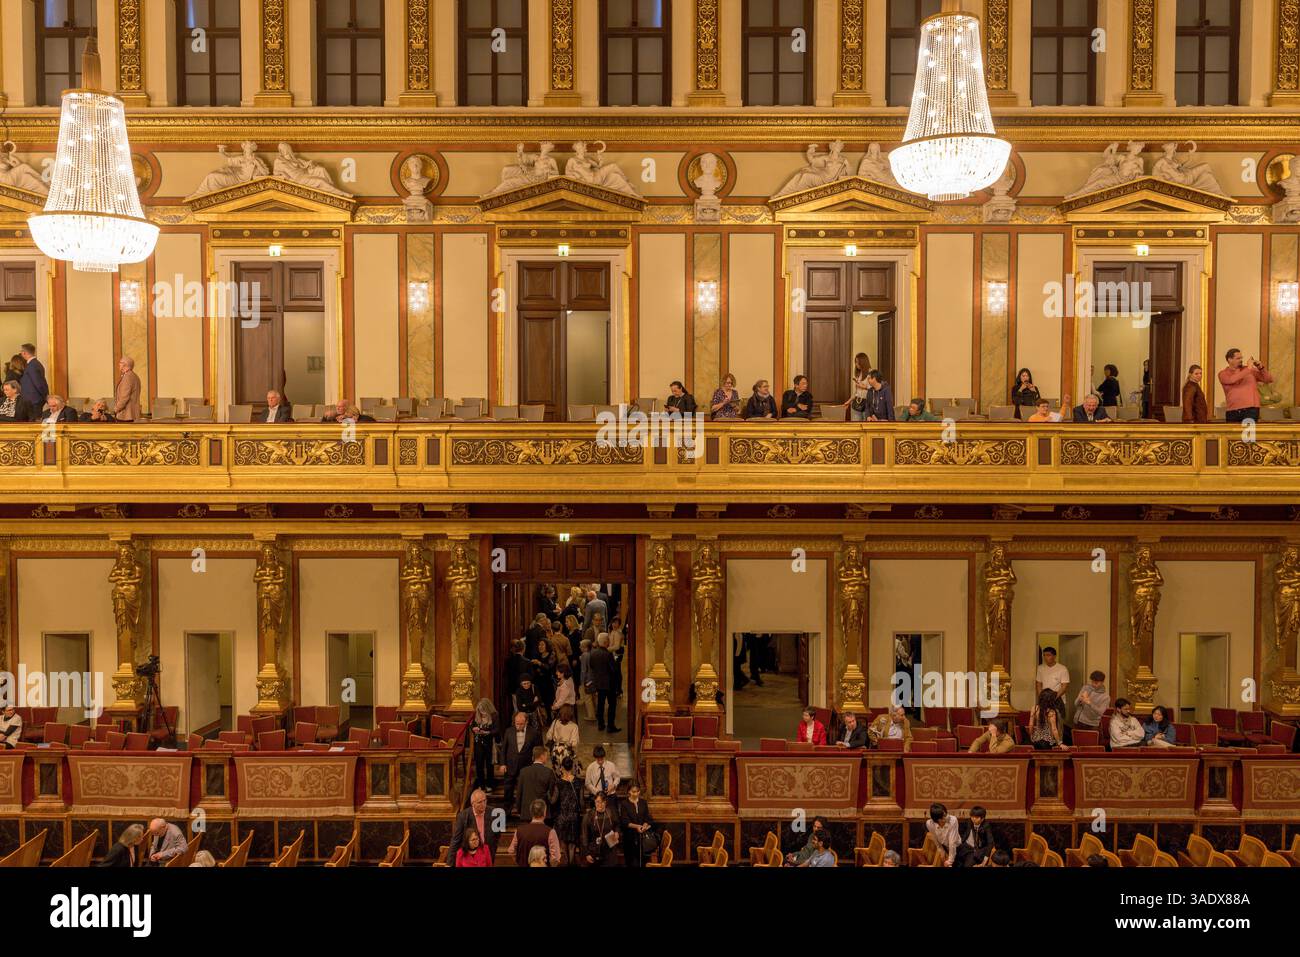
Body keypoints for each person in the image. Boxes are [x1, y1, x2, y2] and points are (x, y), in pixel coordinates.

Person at [447, 788, 501, 866]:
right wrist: (449, 863)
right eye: (480, 802)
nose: (483, 804)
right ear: (473, 804)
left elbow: (497, 836)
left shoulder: (495, 814)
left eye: (485, 801)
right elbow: (456, 840)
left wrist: (491, 850)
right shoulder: (463, 816)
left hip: (487, 853)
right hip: (469, 855)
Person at [500, 711, 542, 812]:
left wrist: (536, 764)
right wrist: (502, 764)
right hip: (510, 765)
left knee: (525, 789)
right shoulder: (508, 731)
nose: (518, 726)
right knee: (508, 788)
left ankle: (523, 809)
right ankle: (507, 809)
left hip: (526, 765)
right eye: (516, 723)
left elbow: (539, 749)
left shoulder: (534, 733)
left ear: (526, 722)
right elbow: (504, 749)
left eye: (520, 724)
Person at [1218, 348, 1273, 423]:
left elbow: (1268, 379)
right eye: (1238, 358)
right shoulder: (1223, 374)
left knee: (1248, 434)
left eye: (1241, 358)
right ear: (1229, 360)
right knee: (1233, 435)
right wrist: (1249, 368)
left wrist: (1261, 368)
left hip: (1250, 410)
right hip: (1232, 411)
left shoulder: (1250, 370)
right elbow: (1232, 380)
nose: (1241, 360)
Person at [507, 798, 561, 866]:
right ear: (545, 812)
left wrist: (519, 863)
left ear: (531, 812)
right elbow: (555, 858)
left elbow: (511, 851)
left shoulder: (519, 830)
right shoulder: (550, 832)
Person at [552, 756, 585, 865]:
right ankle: (571, 863)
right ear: (572, 767)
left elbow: (553, 801)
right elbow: (581, 802)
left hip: (562, 818)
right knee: (572, 845)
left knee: (564, 843)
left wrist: (547, 794)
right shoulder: (579, 782)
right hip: (574, 818)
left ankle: (567, 863)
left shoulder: (558, 783)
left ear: (561, 767)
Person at [587, 632, 620, 733]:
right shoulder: (608, 654)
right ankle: (610, 726)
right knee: (612, 705)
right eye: (608, 640)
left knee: (600, 705)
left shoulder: (593, 653)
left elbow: (591, 666)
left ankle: (600, 724)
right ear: (606, 642)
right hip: (609, 684)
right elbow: (613, 670)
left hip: (599, 683)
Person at [619, 781, 656, 867]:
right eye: (633, 791)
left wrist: (645, 825)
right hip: (629, 838)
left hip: (642, 839)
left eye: (637, 791)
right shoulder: (624, 804)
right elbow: (625, 822)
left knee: (642, 862)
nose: (636, 794)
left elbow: (647, 818)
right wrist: (637, 827)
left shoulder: (643, 802)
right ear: (629, 791)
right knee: (631, 863)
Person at [515, 745, 555, 819]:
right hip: (543, 813)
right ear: (542, 756)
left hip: (526, 812)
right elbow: (551, 794)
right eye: (546, 756)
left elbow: (519, 793)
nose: (547, 758)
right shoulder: (549, 772)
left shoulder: (523, 771)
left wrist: (519, 810)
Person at [582, 792, 620, 866]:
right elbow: (584, 836)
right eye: (598, 802)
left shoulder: (611, 812)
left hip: (610, 849)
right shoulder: (588, 816)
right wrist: (587, 853)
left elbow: (617, 825)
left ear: (606, 802)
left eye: (603, 802)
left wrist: (617, 832)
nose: (600, 804)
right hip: (594, 849)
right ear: (594, 801)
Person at [470, 697, 499, 790]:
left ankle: (490, 784)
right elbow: (472, 726)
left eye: (484, 711)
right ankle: (481, 784)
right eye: (480, 711)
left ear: (488, 709)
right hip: (478, 742)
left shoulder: (494, 715)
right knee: (479, 764)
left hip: (489, 742)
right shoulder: (477, 714)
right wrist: (474, 729)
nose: (482, 713)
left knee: (489, 765)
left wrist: (488, 733)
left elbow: (497, 730)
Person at [1035, 647, 1070, 722]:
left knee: (1057, 723)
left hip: (1057, 700)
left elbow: (1064, 687)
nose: (1045, 657)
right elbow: (1038, 684)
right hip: (1044, 700)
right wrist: (1042, 697)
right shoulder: (1040, 668)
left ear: (1054, 656)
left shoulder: (1062, 669)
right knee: (1044, 722)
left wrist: (1053, 698)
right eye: (1044, 655)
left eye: (1048, 655)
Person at [545, 703, 580, 768]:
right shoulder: (574, 726)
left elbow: (548, 736)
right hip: (567, 753)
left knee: (556, 769)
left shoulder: (555, 722)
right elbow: (574, 743)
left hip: (555, 752)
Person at [17, 343, 47, 411]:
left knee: (34, 420)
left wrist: (45, 396)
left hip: (33, 401)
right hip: (32, 400)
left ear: (24, 353)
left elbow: (39, 383)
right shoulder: (33, 364)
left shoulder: (33, 365)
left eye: (21, 351)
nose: (21, 353)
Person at [113, 356, 142, 422]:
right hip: (132, 414)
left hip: (125, 415)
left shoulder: (127, 377)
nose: (119, 364)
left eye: (120, 362)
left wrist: (116, 409)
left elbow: (124, 397)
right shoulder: (134, 376)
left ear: (125, 365)